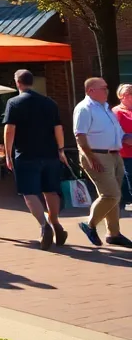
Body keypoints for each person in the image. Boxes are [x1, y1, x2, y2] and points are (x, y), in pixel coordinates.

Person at [3, 69, 69, 250]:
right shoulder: (49, 103)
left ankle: (44, 225)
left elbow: (10, 130)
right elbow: (58, 129)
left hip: (26, 154)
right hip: (50, 154)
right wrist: (61, 150)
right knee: (51, 191)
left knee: (29, 193)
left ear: (17, 83)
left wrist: (8, 154)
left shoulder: (14, 102)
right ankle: (55, 222)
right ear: (32, 81)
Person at [72, 77, 132, 248]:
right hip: (97, 156)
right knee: (111, 195)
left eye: (106, 87)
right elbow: (80, 135)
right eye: (103, 88)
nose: (107, 90)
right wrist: (91, 157)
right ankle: (89, 224)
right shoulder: (84, 108)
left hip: (115, 155)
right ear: (91, 90)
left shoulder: (105, 108)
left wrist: (127, 139)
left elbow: (120, 134)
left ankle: (113, 234)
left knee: (114, 196)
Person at [115, 84, 132, 210]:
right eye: (128, 93)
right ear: (121, 96)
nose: (131, 95)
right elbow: (115, 132)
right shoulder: (116, 112)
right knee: (127, 178)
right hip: (124, 153)